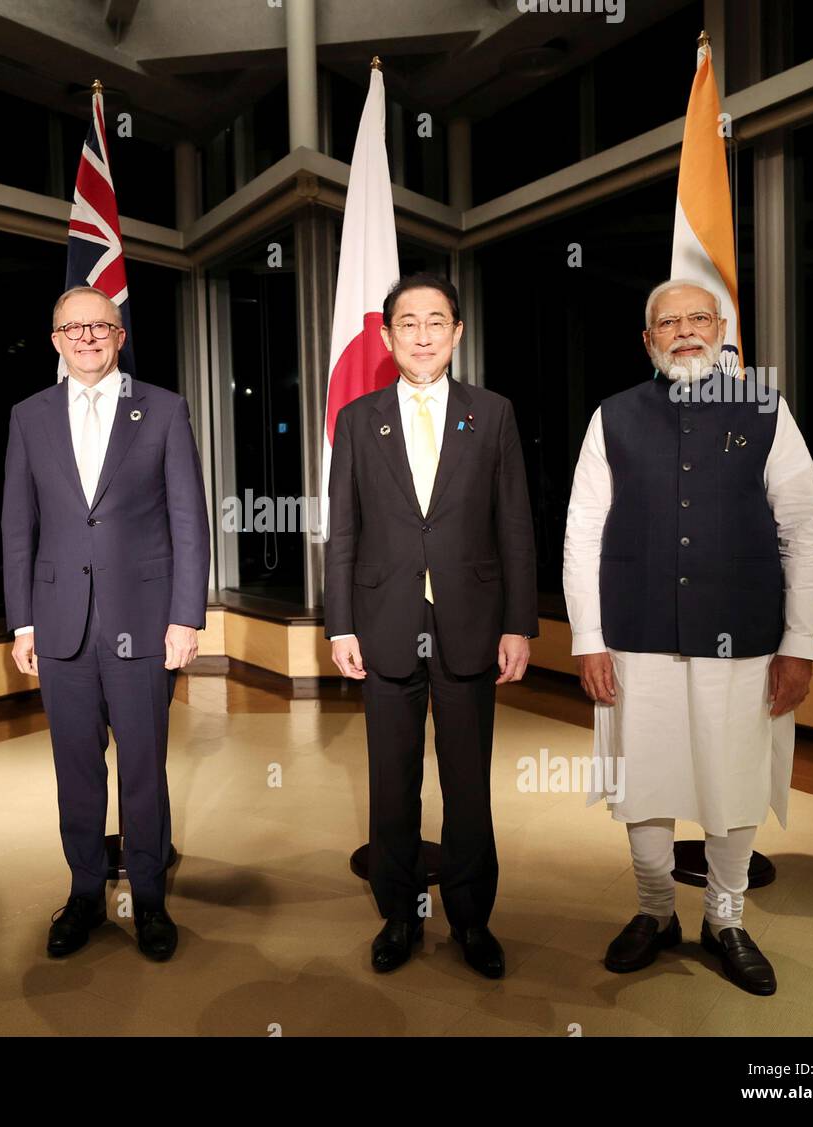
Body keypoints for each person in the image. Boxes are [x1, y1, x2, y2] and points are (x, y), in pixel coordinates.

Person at [562, 279, 813, 996]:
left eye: (697, 318)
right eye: (667, 322)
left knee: (733, 781)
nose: (684, 330)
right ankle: (655, 911)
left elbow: (803, 531)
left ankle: (724, 918)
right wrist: (586, 635)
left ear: (722, 329)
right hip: (633, 635)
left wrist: (800, 642)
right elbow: (582, 531)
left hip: (744, 639)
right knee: (640, 781)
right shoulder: (612, 417)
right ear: (648, 341)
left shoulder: (767, 411)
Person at [324, 272, 538, 978]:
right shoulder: (357, 419)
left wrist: (518, 623)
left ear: (457, 333)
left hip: (471, 624)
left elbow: (514, 524)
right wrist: (340, 625)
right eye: (407, 323)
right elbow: (344, 530)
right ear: (387, 337)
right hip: (382, 624)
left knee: (468, 782)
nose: (421, 334)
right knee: (392, 783)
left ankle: (472, 920)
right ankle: (400, 915)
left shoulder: (493, 414)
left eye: (435, 321)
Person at [2, 286, 210, 962]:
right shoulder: (28, 417)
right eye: (73, 327)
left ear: (119, 336)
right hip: (59, 624)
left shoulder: (166, 409)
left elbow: (188, 520)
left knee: (144, 766)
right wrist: (22, 622)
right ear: (54, 339)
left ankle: (148, 896)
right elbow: (16, 527)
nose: (87, 337)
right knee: (75, 768)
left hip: (145, 624)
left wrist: (185, 615)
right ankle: (86, 891)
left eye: (100, 326)